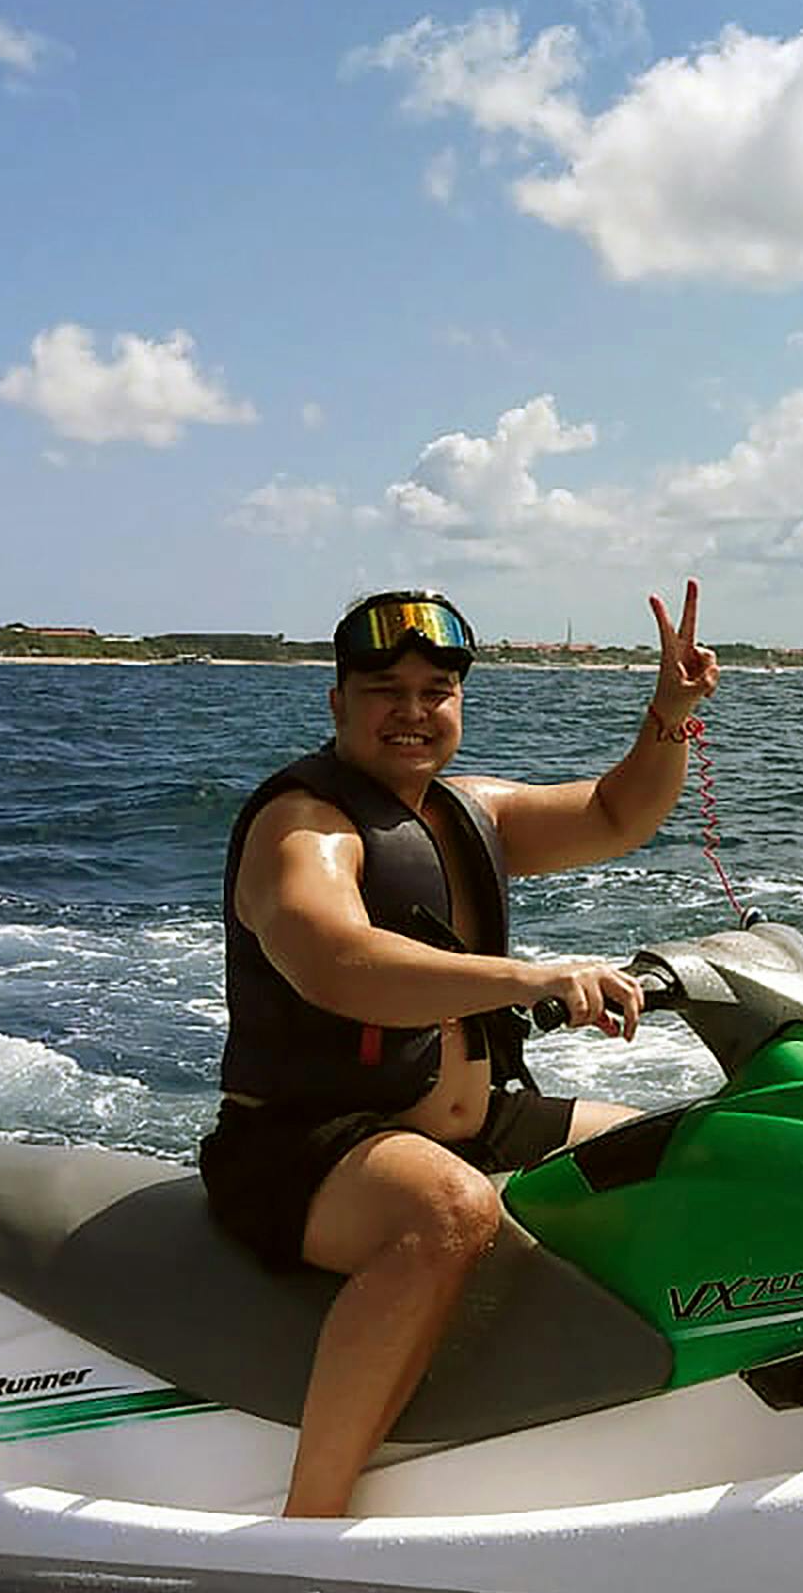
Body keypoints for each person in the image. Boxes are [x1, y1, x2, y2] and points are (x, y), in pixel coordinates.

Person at [201, 582, 719, 1519]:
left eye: (435, 689)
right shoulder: (304, 827)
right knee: (445, 1210)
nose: (412, 711)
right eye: (383, 690)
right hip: (303, 1144)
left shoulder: (471, 812)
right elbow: (339, 961)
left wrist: (668, 716)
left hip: (484, 1119)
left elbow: (615, 816)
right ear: (337, 704)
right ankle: (306, 1526)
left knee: (679, 1155)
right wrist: (528, 978)